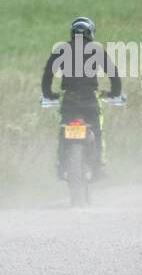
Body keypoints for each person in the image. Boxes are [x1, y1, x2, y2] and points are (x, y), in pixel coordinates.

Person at [41, 16, 121, 178]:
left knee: (63, 131)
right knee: (97, 131)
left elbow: (48, 74)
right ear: (90, 32)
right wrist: (115, 93)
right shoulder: (96, 49)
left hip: (69, 100)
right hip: (90, 99)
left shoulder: (61, 49)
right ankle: (99, 166)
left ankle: (61, 164)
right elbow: (113, 74)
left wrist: (48, 94)